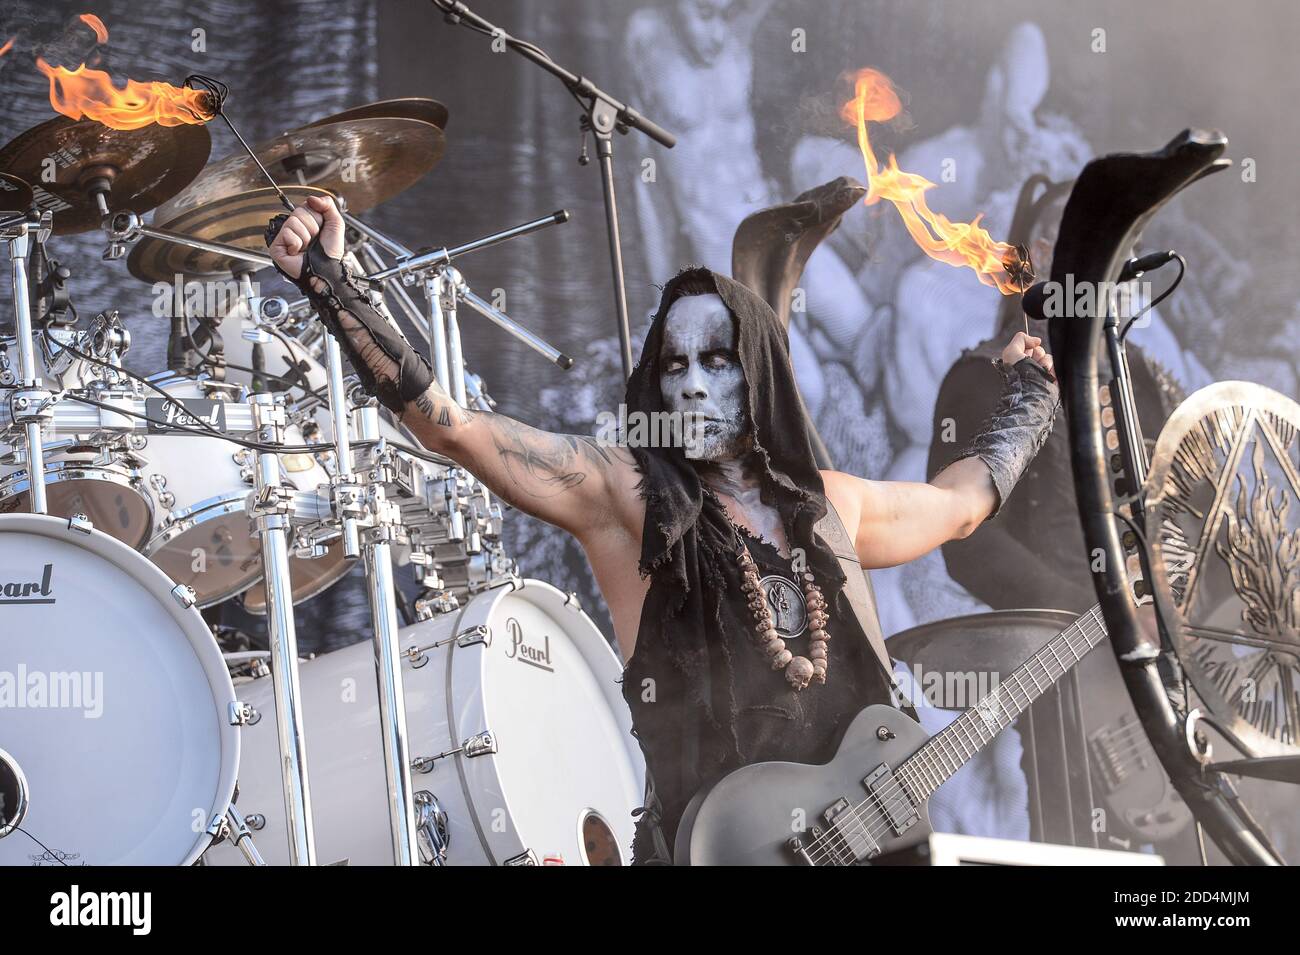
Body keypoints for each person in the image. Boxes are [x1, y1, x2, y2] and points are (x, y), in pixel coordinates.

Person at [265, 194, 1060, 863]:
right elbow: (452, 427)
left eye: (716, 360)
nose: (691, 385)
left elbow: (963, 504)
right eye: (673, 366)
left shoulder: (832, 506)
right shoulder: (630, 497)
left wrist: (1034, 392)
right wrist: (331, 283)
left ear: (758, 370)